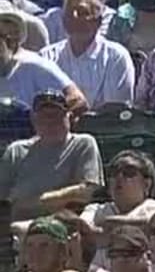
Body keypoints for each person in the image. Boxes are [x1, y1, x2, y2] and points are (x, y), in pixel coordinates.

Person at [0, 91, 101, 220]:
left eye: (56, 115)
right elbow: (3, 199)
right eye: (44, 116)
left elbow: (86, 192)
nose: (50, 122)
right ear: (33, 119)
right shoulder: (16, 150)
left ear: (69, 117)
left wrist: (38, 200)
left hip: (63, 224)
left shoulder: (82, 144)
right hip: (17, 226)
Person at [41, 0, 135, 108]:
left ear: (98, 21)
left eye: (82, 12)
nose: (75, 17)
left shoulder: (116, 57)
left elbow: (115, 111)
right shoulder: (46, 57)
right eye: (70, 13)